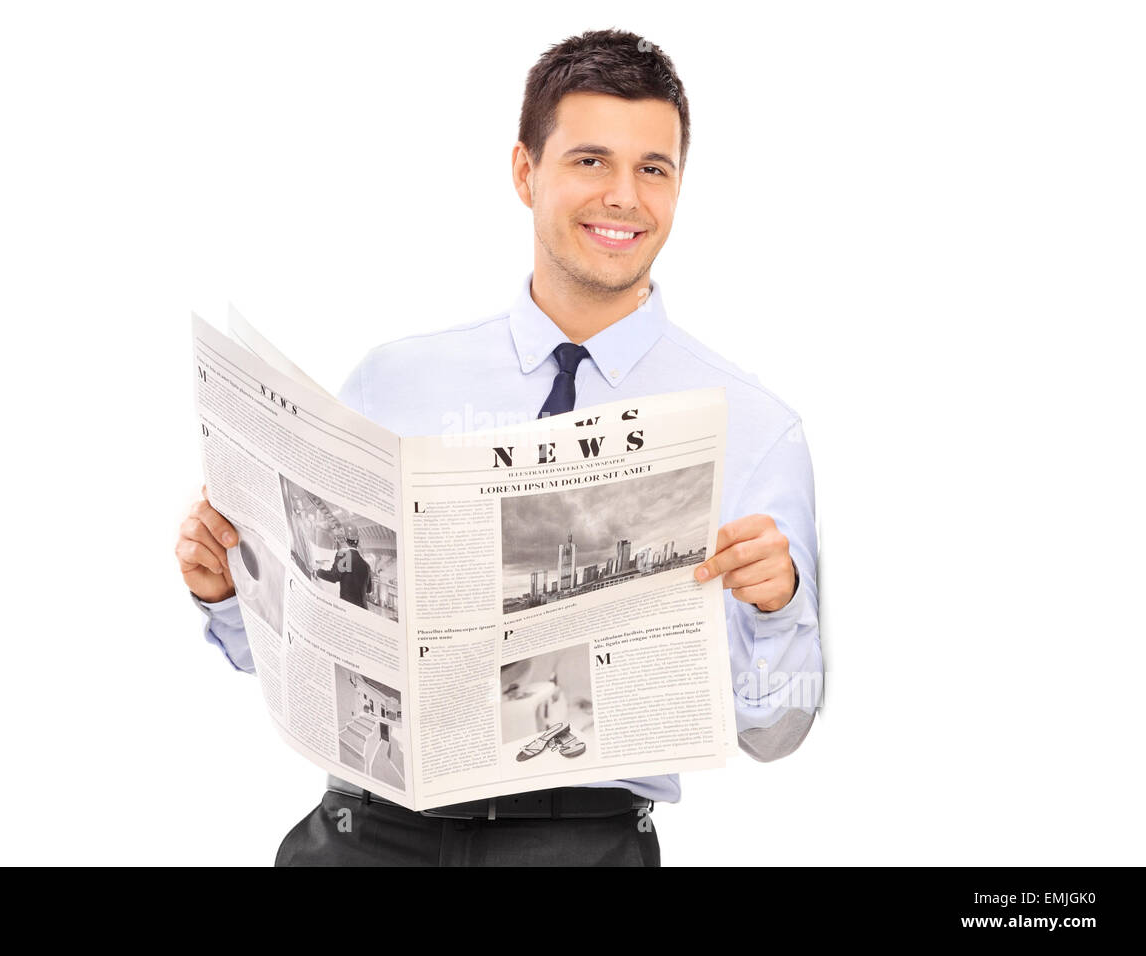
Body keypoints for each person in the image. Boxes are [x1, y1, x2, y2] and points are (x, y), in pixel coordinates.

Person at [175, 27, 822, 866]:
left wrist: (777, 611)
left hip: (578, 841)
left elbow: (777, 732)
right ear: (526, 172)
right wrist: (230, 592)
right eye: (590, 160)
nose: (623, 196)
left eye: (652, 169)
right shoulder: (392, 382)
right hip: (366, 830)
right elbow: (304, 662)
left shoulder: (755, 426)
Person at [312, 528, 372, 609]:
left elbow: (333, 577)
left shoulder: (344, 555)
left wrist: (318, 570)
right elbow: (369, 590)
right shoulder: (366, 565)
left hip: (348, 608)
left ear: (345, 540)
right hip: (364, 609)